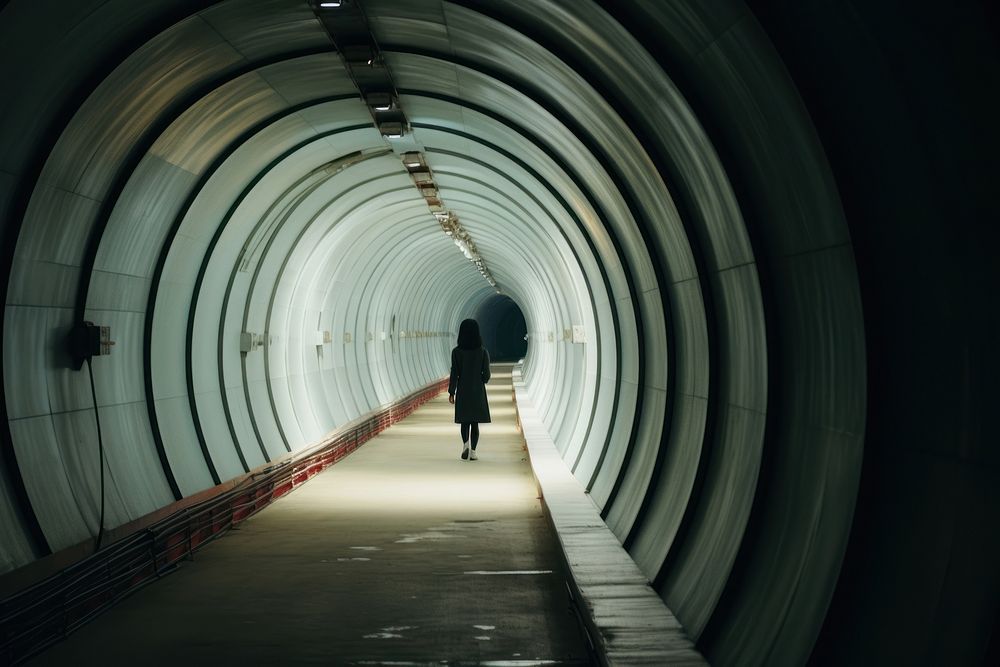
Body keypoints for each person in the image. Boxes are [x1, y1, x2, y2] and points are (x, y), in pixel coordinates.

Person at [448, 319, 491, 460]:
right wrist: (481, 380)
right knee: (475, 422)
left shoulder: (456, 352)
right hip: (477, 390)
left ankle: (465, 444)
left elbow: (454, 373)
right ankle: (473, 451)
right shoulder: (482, 352)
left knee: (465, 421)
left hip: (463, 390)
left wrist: (451, 392)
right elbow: (487, 374)